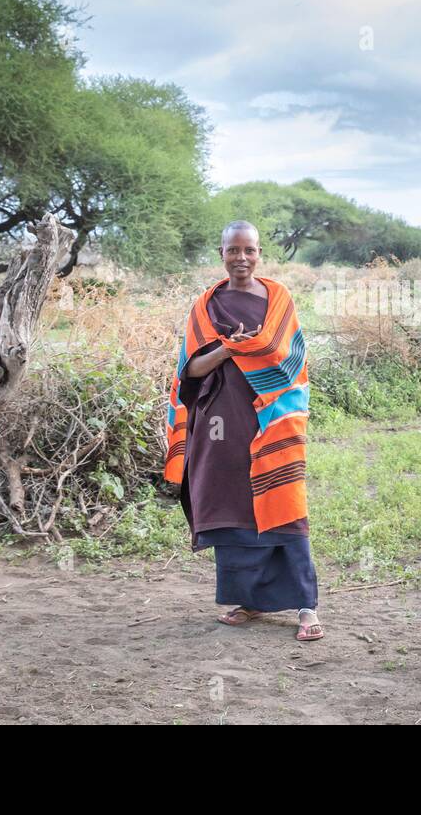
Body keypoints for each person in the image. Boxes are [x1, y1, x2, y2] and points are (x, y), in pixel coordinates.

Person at [163, 221, 323, 641]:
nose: (241, 258)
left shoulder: (278, 299)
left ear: (259, 253)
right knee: (232, 505)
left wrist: (251, 348)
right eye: (233, 250)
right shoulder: (205, 306)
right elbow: (189, 372)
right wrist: (227, 348)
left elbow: (292, 363)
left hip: (273, 418)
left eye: (249, 250)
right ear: (221, 254)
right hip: (220, 423)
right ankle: (250, 601)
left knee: (284, 502)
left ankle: (306, 607)